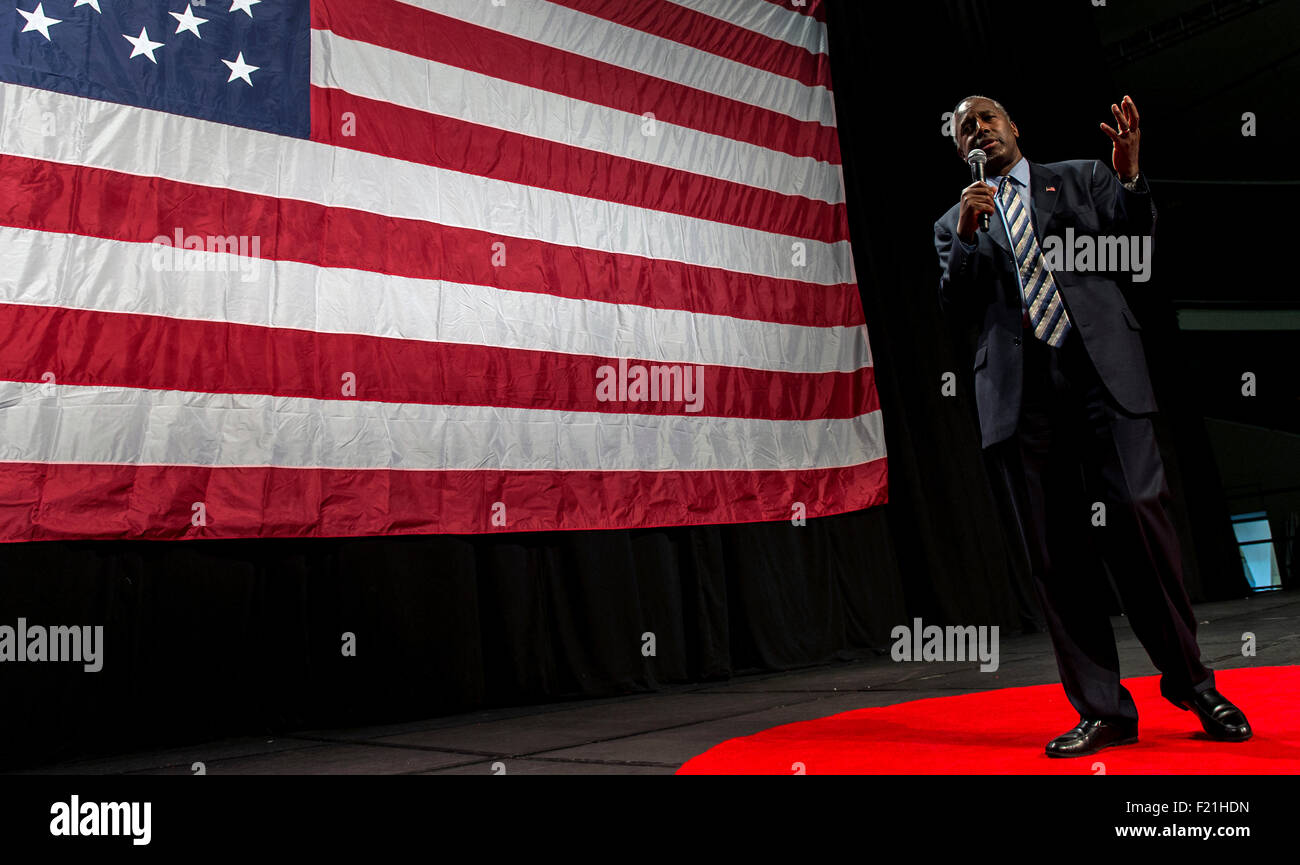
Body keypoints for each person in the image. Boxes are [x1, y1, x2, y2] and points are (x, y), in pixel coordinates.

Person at [932, 95, 1252, 757]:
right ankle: (1104, 709)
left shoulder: (1080, 177)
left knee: (1139, 514)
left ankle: (1192, 683)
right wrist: (965, 236)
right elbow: (955, 308)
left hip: (1102, 376)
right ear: (957, 147)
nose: (978, 130)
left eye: (987, 118)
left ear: (1013, 126)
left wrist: (1131, 175)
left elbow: (1136, 248)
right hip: (1023, 402)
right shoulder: (954, 222)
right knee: (1057, 557)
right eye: (965, 127)